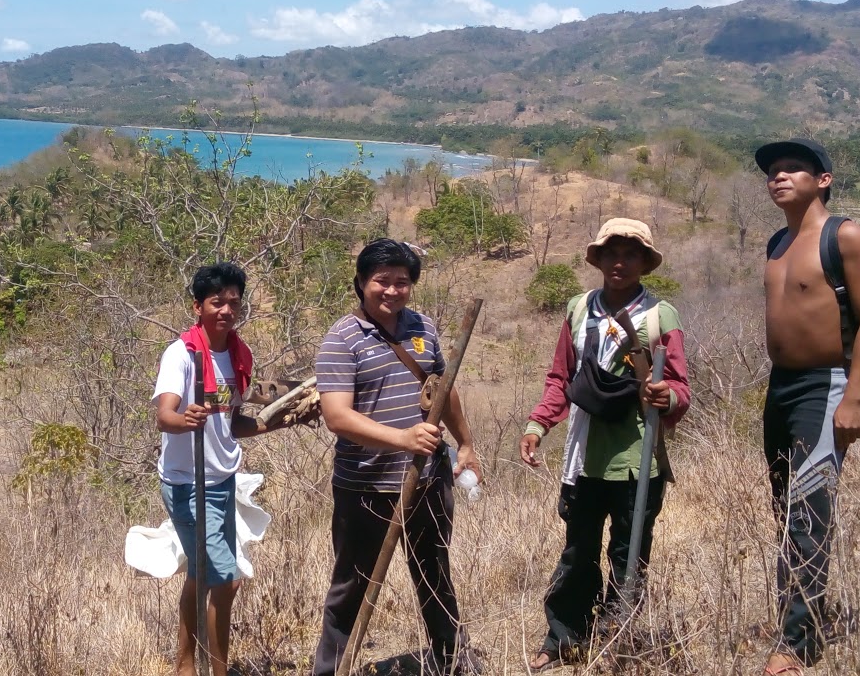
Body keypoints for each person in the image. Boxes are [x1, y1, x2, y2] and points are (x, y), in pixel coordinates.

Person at [519, 218, 691, 670]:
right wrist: (538, 425)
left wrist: (664, 395)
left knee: (628, 552)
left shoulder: (659, 316)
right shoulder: (579, 310)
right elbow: (561, 377)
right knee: (577, 550)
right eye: (612, 253)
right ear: (598, 258)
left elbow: (679, 387)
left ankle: (619, 638)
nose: (620, 262)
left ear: (643, 263)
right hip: (583, 457)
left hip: (637, 457)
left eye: (631, 254)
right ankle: (562, 638)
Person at [312, 239, 482, 676]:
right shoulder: (342, 338)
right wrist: (402, 438)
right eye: (381, 281)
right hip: (366, 485)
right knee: (352, 584)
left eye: (401, 282)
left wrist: (464, 442)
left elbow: (444, 388)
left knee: (434, 574)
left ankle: (452, 660)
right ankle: (332, 669)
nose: (391, 291)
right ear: (361, 284)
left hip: (428, 479)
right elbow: (337, 416)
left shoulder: (423, 327)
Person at [756, 138, 860, 675]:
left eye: (793, 169)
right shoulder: (777, 242)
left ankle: (797, 644)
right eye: (773, 172)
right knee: (786, 506)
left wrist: (854, 397)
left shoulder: (847, 236)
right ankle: (802, 613)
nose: (779, 177)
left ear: (823, 179)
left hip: (826, 383)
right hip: (780, 385)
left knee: (810, 509)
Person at [153, 261, 308, 676]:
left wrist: (277, 420)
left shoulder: (238, 355)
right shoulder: (182, 354)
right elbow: (164, 414)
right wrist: (184, 418)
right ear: (197, 307)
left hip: (222, 480)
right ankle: (215, 670)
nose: (225, 309)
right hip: (187, 483)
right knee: (227, 580)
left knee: (201, 574)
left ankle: (186, 667)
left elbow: (232, 422)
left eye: (233, 302)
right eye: (216, 302)